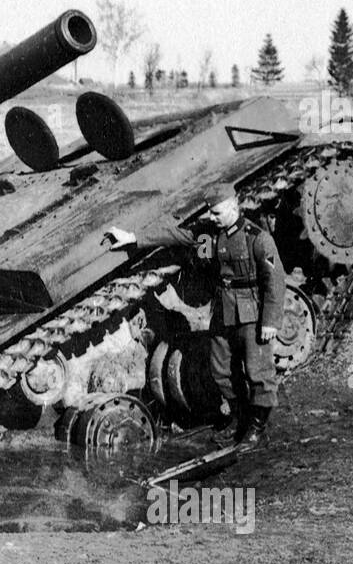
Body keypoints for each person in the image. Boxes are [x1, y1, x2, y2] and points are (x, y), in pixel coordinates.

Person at [102, 182, 285, 450]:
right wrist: (132, 237)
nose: (212, 217)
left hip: (252, 314)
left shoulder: (258, 239)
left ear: (234, 207)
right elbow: (174, 234)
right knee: (221, 369)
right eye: (210, 212)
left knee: (259, 373)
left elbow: (275, 281)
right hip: (223, 311)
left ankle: (256, 429)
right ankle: (239, 418)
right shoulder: (209, 235)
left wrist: (270, 321)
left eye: (217, 213)